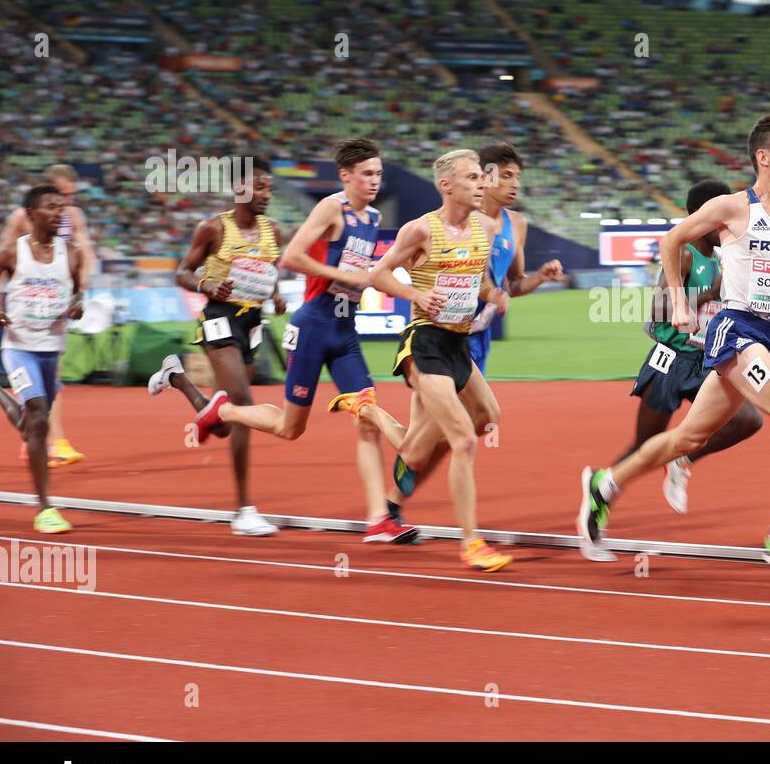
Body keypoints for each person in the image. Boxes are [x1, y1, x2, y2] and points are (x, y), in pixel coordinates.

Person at [576, 113, 770, 573]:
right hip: (736, 333)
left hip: (767, 335)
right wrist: (680, 305)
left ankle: (604, 485)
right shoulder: (732, 207)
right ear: (764, 158)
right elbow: (671, 239)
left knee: (688, 436)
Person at [190, 137, 416, 544]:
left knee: (366, 416)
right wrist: (348, 278)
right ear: (345, 176)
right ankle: (223, 411)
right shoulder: (332, 208)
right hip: (312, 327)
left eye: (379, 174)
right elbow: (292, 257)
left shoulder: (373, 217)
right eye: (366, 174)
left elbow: (370, 269)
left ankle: (378, 519)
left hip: (346, 332)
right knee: (291, 428)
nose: (374, 181)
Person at [361, 148, 513, 571]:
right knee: (462, 438)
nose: (481, 184)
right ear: (446, 185)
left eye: (483, 178)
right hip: (424, 341)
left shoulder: (485, 227)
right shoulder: (420, 230)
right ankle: (471, 543)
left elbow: (478, 279)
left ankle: (369, 412)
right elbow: (378, 274)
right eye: (471, 178)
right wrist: (416, 294)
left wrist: (493, 294)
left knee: (483, 419)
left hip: (458, 345)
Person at [147, 160, 286, 537]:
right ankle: (244, 509)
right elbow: (182, 271)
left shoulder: (274, 231)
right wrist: (208, 287)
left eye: (269, 187)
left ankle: (176, 376)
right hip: (219, 317)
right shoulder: (213, 228)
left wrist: (274, 295)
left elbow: (268, 271)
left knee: (228, 426)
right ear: (239, 188)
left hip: (252, 323)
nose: (266, 194)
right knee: (241, 402)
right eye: (259, 186)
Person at [616, 178, 762, 513]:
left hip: (706, 361)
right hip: (670, 360)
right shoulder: (682, 253)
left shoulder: (723, 257)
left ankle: (682, 462)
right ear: (704, 215)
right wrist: (710, 293)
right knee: (645, 446)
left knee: (747, 421)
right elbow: (659, 312)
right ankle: (602, 492)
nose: (728, 222)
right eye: (722, 215)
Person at [0, 185, 84, 534]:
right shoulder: (11, 254)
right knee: (36, 415)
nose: (59, 212)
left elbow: (78, 290)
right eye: (51, 207)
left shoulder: (72, 253)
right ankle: (45, 507)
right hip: (18, 347)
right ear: (31, 214)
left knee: (36, 424)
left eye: (62, 207)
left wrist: (78, 304)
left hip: (51, 349)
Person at [0, 164, 94, 467]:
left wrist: (81, 289)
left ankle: (37, 436)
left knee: (50, 380)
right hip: (21, 306)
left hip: (55, 306)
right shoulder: (19, 219)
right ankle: (53, 440)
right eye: (59, 196)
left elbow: (85, 250)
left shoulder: (73, 217)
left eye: (69, 197)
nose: (64, 205)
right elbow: (3, 252)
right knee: (35, 386)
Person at [468, 141, 564, 375]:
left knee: (473, 410)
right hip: (451, 327)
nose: (515, 184)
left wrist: (540, 276)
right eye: (507, 176)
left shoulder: (517, 224)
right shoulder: (462, 218)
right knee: (469, 408)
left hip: (481, 329)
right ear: (485, 177)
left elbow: (511, 285)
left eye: (518, 177)